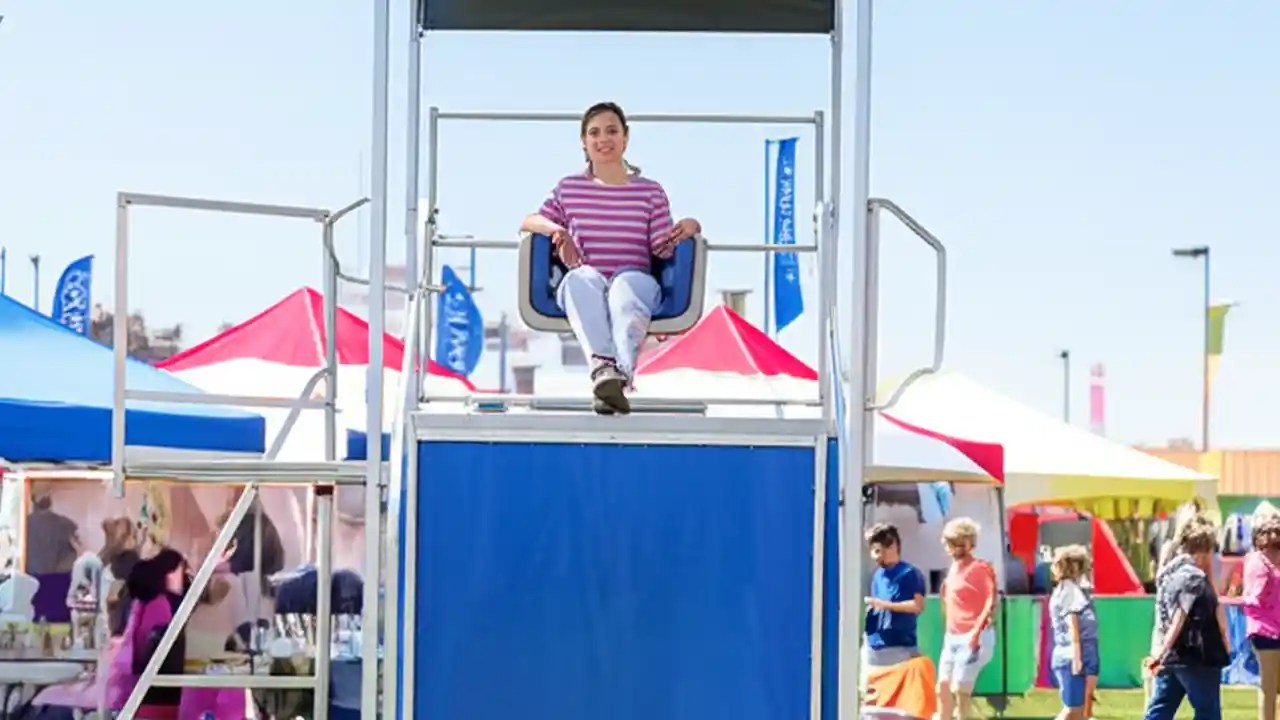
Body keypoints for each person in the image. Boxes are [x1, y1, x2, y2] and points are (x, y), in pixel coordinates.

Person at [521, 101, 703, 414]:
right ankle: (605, 371)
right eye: (594, 133)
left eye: (611, 131)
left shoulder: (650, 192)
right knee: (582, 278)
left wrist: (690, 226)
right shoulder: (569, 188)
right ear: (583, 141)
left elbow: (661, 246)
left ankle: (618, 375)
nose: (603, 139)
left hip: (636, 280)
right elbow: (529, 221)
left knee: (624, 285)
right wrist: (558, 232)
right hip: (587, 279)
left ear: (625, 138)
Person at [1142, 514, 1230, 720]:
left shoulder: (1168, 575)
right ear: (1205, 551)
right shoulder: (1194, 578)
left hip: (1172, 657)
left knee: (1160, 709)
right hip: (1195, 654)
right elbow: (1180, 616)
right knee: (1208, 711)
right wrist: (1161, 653)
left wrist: (1161, 652)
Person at [1220, 512, 1280, 719]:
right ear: (1259, 537)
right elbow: (1255, 596)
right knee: (1269, 686)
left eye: (1277, 531)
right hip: (1265, 631)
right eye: (1269, 532)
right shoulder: (1256, 561)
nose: (1273, 536)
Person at [936, 517, 997, 720]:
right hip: (953, 636)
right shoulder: (953, 569)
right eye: (950, 542)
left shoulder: (980, 568)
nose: (951, 547)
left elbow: (990, 601)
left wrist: (976, 633)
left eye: (957, 542)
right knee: (943, 687)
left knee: (960, 689)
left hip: (973, 635)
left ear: (969, 543)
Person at [863, 523, 926, 681]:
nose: (879, 555)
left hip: (900, 645)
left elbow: (917, 606)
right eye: (875, 550)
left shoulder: (909, 573)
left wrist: (884, 605)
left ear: (894, 547)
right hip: (876, 644)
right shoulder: (877, 575)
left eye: (883, 549)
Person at [1048, 545, 1099, 720]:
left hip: (1068, 653)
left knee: (1080, 711)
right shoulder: (1070, 590)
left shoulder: (1063, 589)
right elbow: (1073, 624)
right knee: (1073, 710)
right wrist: (1077, 658)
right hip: (1072, 654)